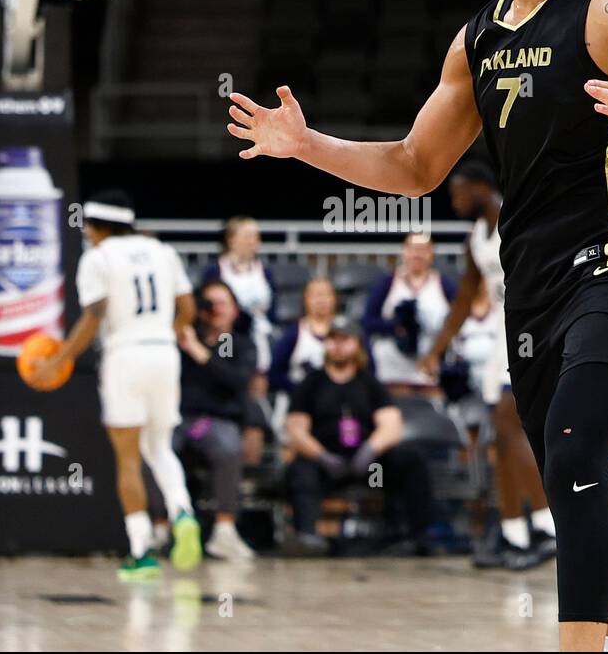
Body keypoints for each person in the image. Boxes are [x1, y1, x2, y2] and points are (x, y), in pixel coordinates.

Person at [226, 0, 608, 650]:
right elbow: (417, 165)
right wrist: (307, 144)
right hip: (531, 285)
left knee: (572, 454)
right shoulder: (479, 38)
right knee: (576, 474)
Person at [29, 191, 203, 579]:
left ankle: (141, 552)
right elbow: (189, 311)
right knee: (159, 445)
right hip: (164, 353)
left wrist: (59, 360)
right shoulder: (163, 251)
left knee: (128, 457)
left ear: (98, 227)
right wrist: (164, 335)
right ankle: (183, 511)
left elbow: (93, 317)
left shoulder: (98, 258)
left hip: (124, 356)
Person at [418, 159, 555, 570]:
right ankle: (513, 534)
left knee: (509, 425)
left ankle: (548, 528)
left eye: (459, 191)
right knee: (498, 436)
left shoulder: (520, 220)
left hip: (534, 330)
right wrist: (436, 348)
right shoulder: (476, 236)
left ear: (480, 187)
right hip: (502, 335)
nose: (454, 200)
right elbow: (464, 298)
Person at [283, 317, 434, 555]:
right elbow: (295, 430)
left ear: (357, 344)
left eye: (345, 339)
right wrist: (323, 457)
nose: (338, 345)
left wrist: (369, 451)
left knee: (410, 460)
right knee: (301, 470)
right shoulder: (310, 383)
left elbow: (391, 426)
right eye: (333, 339)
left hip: (369, 468)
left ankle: (415, 536)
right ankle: (308, 537)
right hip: (327, 464)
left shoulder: (370, 383)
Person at [175, 278, 260, 560]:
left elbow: (236, 381)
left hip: (217, 418)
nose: (217, 309)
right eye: (210, 304)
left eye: (223, 303)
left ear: (235, 309)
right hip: (180, 416)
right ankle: (162, 526)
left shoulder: (241, 343)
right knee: (158, 447)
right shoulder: (182, 338)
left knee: (227, 447)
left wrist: (200, 353)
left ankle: (225, 532)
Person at [362, 233, 456, 394]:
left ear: (431, 254)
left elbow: (458, 321)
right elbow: (368, 321)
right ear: (404, 252)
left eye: (423, 249)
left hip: (430, 363)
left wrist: (438, 350)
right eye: (413, 249)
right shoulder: (388, 282)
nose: (417, 254)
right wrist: (396, 326)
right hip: (392, 364)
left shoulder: (444, 284)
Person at [201, 216, 277, 375]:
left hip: (258, 334)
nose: (253, 241)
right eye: (248, 236)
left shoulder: (264, 272)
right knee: (224, 370)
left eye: (256, 236)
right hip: (226, 334)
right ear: (232, 240)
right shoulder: (216, 271)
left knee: (261, 370)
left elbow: (272, 309)